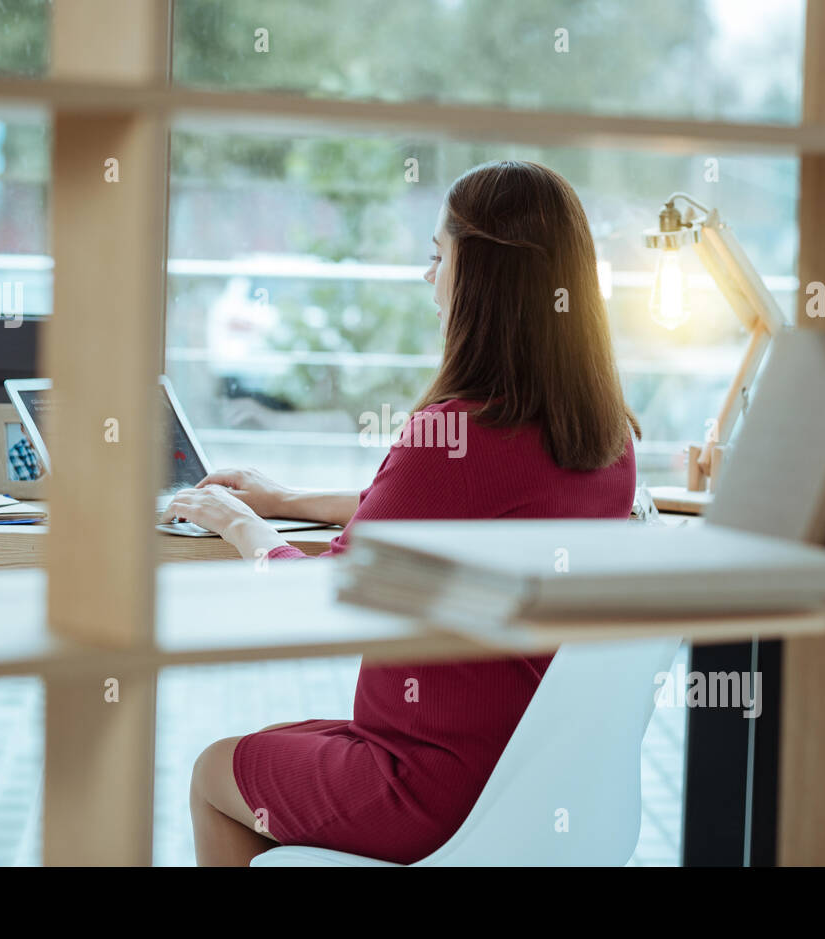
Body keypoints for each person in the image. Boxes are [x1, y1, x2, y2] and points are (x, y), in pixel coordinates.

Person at [167, 159, 642, 866]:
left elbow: (325, 598)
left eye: (436, 256)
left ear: (478, 273)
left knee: (216, 771)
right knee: (272, 750)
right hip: (528, 771)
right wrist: (289, 502)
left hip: (430, 784)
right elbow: (454, 515)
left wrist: (239, 523)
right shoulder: (607, 440)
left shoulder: (457, 434)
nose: (429, 279)